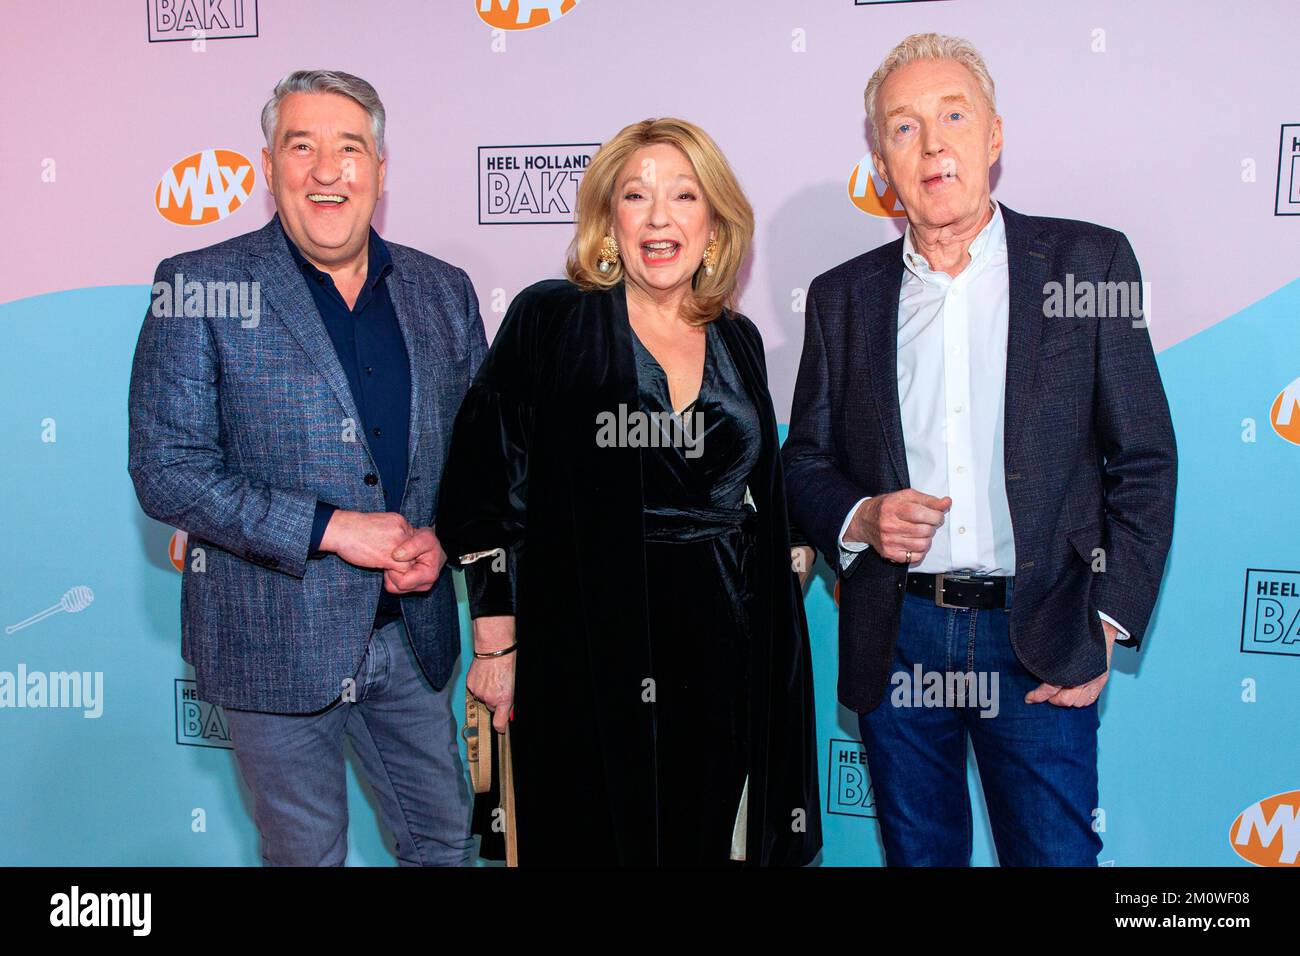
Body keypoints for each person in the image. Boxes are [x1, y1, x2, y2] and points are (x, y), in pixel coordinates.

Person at [783, 34, 1177, 866]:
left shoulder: (1087, 263)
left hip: (1039, 636)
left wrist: (1103, 625)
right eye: (903, 127)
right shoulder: (841, 299)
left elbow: (1142, 458)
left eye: (953, 115)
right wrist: (860, 514)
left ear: (994, 136)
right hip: (900, 637)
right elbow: (805, 462)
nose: (931, 145)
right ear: (881, 160)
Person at [438, 117, 822, 866]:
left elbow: (763, 501)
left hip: (722, 647)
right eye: (635, 196)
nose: (658, 217)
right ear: (608, 220)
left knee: (707, 838)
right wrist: (495, 633)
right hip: (583, 640)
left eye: (684, 196)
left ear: (713, 227)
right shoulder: (551, 319)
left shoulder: (737, 340)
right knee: (588, 835)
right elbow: (483, 480)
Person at [128, 70, 485, 866]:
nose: (328, 170)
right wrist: (331, 529)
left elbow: (479, 460)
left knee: (446, 848)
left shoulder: (443, 291)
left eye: (350, 148)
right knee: (307, 858)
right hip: (272, 637)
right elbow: (167, 469)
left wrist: (444, 536)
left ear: (380, 170)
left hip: (413, 637)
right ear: (267, 166)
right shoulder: (197, 286)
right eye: (303, 146)